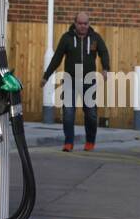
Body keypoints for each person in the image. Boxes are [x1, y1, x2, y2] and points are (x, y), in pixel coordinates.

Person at [41, 11, 110, 152]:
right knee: (68, 113)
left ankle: (90, 141)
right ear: (75, 23)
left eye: (85, 23)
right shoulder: (67, 38)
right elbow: (57, 58)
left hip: (88, 81)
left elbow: (104, 53)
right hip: (70, 81)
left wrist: (105, 68)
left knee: (91, 113)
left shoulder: (95, 38)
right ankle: (68, 143)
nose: (83, 26)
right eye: (80, 23)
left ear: (89, 24)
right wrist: (46, 76)